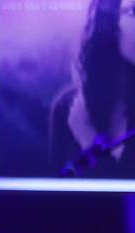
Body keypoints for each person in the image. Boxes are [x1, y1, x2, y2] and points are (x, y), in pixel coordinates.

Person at [50, 1, 135, 179]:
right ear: (109, 22)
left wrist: (90, 142)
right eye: (134, 11)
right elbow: (59, 183)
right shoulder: (66, 108)